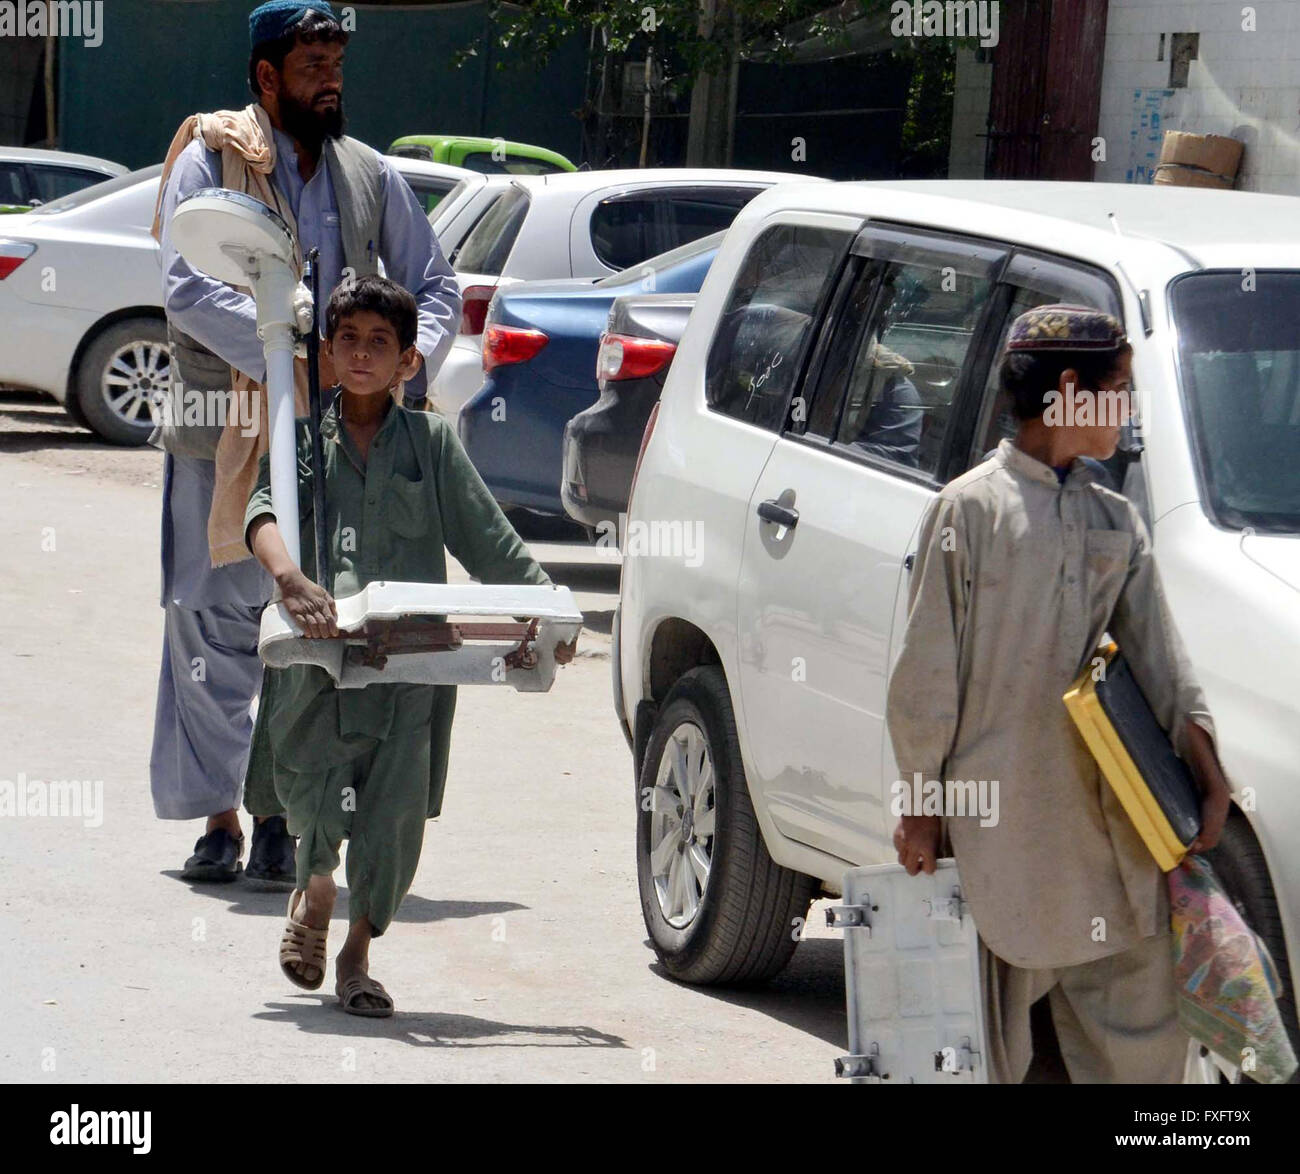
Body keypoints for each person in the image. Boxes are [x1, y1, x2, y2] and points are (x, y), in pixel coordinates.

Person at [148, 0, 461, 885]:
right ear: (265, 76)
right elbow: (185, 287)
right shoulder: (211, 159)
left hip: (335, 440)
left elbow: (435, 285)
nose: (330, 80)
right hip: (224, 430)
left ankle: (281, 812)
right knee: (209, 624)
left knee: (308, 621)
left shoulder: (369, 175)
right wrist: (290, 364)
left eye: (337, 64)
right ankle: (220, 820)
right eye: (312, 64)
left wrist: (402, 365)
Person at [886, 304, 1232, 1083]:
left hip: (1104, 838)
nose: (1129, 411)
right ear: (1072, 390)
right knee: (981, 1053)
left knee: (1143, 1050)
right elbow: (924, 682)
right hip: (994, 836)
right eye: (1120, 389)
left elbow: (1164, 665)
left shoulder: (1116, 519)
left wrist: (1210, 776)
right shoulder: (967, 512)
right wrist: (919, 807)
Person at [245, 275, 577, 1016]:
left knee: (391, 812)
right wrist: (290, 577)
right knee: (315, 791)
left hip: (412, 659)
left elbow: (491, 543)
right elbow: (263, 514)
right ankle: (317, 888)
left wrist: (547, 617)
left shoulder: (430, 445)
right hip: (320, 657)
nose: (362, 354)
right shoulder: (301, 440)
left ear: (407, 362)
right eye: (349, 341)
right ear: (326, 353)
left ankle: (357, 955)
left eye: (381, 343)